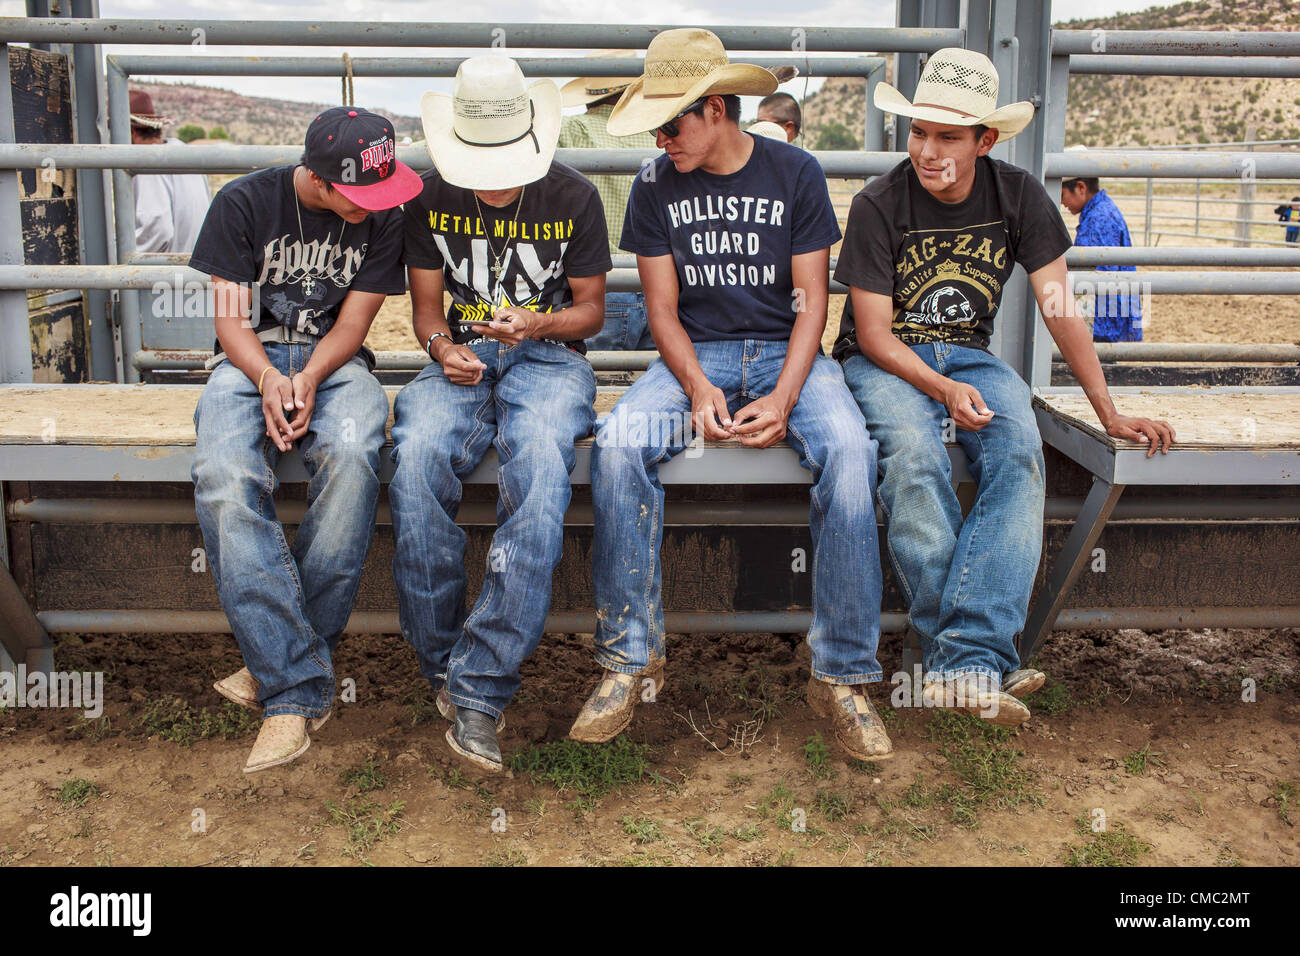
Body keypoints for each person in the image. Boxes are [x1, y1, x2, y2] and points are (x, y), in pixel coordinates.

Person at [571, 28, 892, 761]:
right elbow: (659, 310)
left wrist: (782, 397)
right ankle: (630, 658)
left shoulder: (795, 173)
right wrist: (696, 383)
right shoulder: (655, 184)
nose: (661, 137)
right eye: (655, 124)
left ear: (717, 109)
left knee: (848, 450)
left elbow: (813, 300)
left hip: (789, 352)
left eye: (673, 122)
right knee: (618, 445)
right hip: (697, 352)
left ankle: (840, 674)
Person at [834, 48, 1176, 727]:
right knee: (915, 457)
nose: (929, 151)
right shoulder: (879, 203)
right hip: (887, 360)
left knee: (1019, 452)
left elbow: (1060, 308)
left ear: (985, 141)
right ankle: (967, 662)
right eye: (919, 132)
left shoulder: (1017, 195)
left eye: (948, 136)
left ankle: (960, 662)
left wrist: (1106, 409)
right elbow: (872, 335)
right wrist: (939, 388)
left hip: (970, 354)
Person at [391, 56, 611, 773]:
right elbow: (426, 308)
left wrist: (538, 326)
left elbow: (593, 312)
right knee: (416, 457)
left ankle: (481, 690)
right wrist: (439, 346)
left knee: (542, 469)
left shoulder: (573, 196)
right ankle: (443, 668)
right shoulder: (426, 196)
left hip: (549, 358)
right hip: (458, 357)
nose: (488, 178)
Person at [192, 106, 421, 772]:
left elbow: (354, 323)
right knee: (225, 478)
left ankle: (281, 671)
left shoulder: (384, 214)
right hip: (247, 360)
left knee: (353, 457)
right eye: (361, 193)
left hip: (337, 361)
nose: (375, 205)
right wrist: (269, 378)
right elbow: (231, 322)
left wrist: (311, 376)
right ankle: (299, 682)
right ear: (318, 178)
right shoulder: (242, 203)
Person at [559, 58, 658, 351]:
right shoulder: (658, 136)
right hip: (658, 283)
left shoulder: (574, 130)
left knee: (597, 378)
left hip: (602, 283)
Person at [1060, 175, 1143, 342]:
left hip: (1103, 320)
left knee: (1100, 361)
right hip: (1111, 314)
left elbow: (1098, 276)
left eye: (1062, 195)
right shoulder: (1102, 211)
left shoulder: (1098, 219)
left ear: (1080, 188)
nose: (1062, 202)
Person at [128, 90, 212, 254]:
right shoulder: (183, 152)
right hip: (194, 264)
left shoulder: (147, 161)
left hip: (168, 271)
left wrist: (126, 255)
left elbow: (157, 228)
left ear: (132, 133)